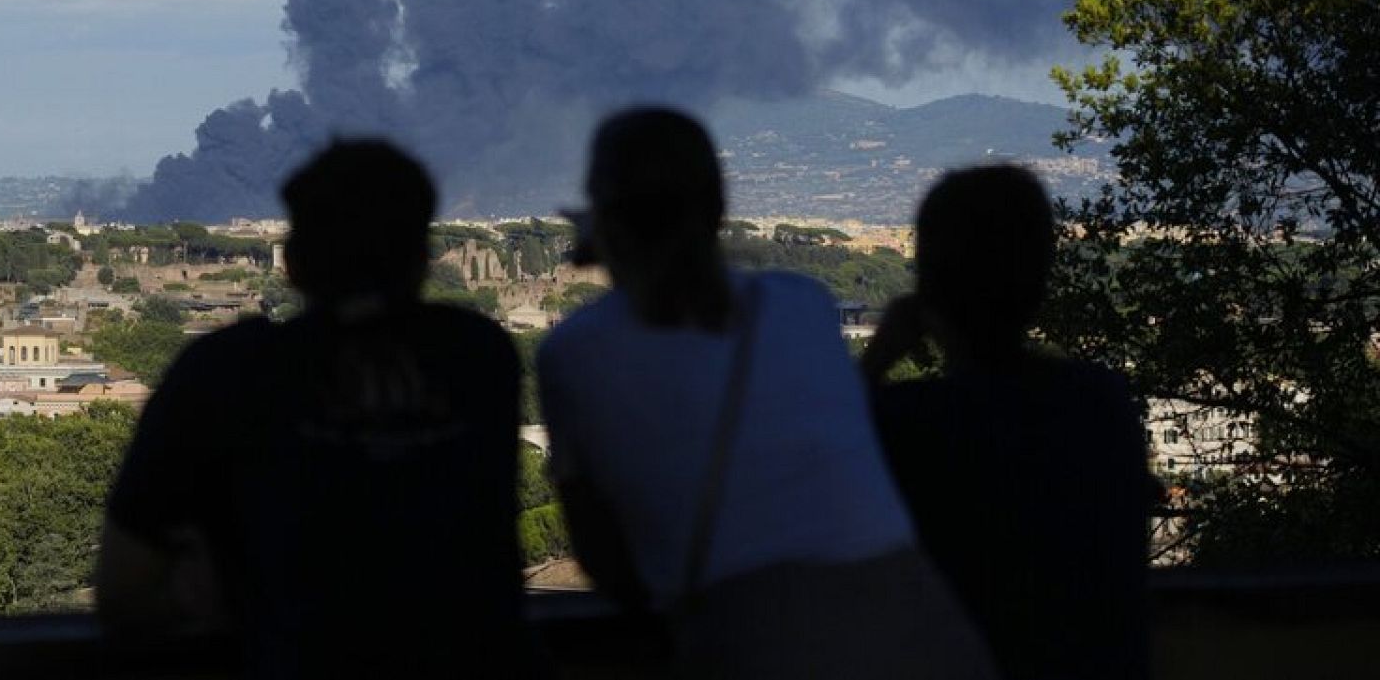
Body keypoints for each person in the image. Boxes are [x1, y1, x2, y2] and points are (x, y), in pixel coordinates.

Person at [538, 107, 993, 678]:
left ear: (603, 214)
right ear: (719, 208)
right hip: (929, 634)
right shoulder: (801, 301)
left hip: (759, 645)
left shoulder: (573, 351)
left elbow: (605, 562)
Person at [94, 139, 528, 676]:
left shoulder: (228, 372)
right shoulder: (480, 357)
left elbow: (123, 590)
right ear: (423, 260)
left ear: (293, 265)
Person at [864, 164, 1154, 680]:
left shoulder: (909, 424)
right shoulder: (1101, 404)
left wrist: (877, 358)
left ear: (928, 290)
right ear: (1040, 278)